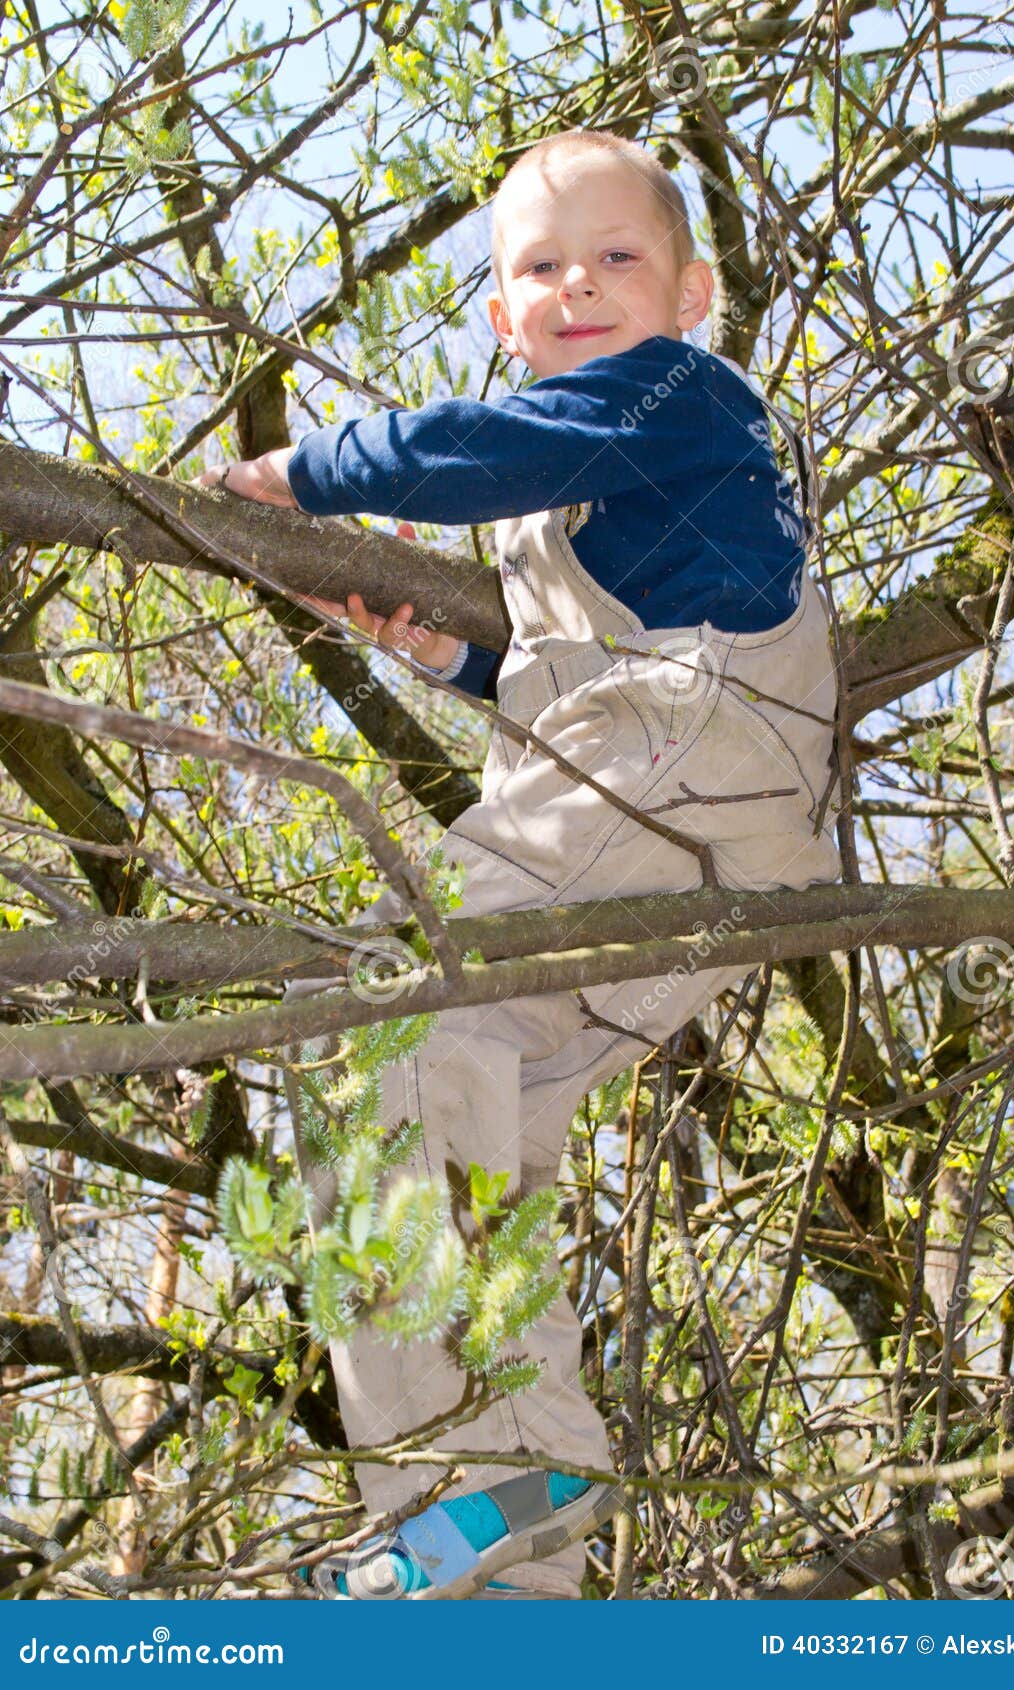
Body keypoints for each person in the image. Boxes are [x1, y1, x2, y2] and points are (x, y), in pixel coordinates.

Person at [193, 128, 841, 1600]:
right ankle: (527, 1507)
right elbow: (591, 661)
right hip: (685, 859)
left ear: (694, 294)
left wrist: (304, 473)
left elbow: (475, 455)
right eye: (539, 269)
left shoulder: (681, 393)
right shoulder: (619, 477)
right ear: (501, 310)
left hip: (677, 771)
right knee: (481, 1130)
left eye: (618, 258)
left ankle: (434, 1481)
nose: (576, 287)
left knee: (371, 1022)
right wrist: (468, 656)